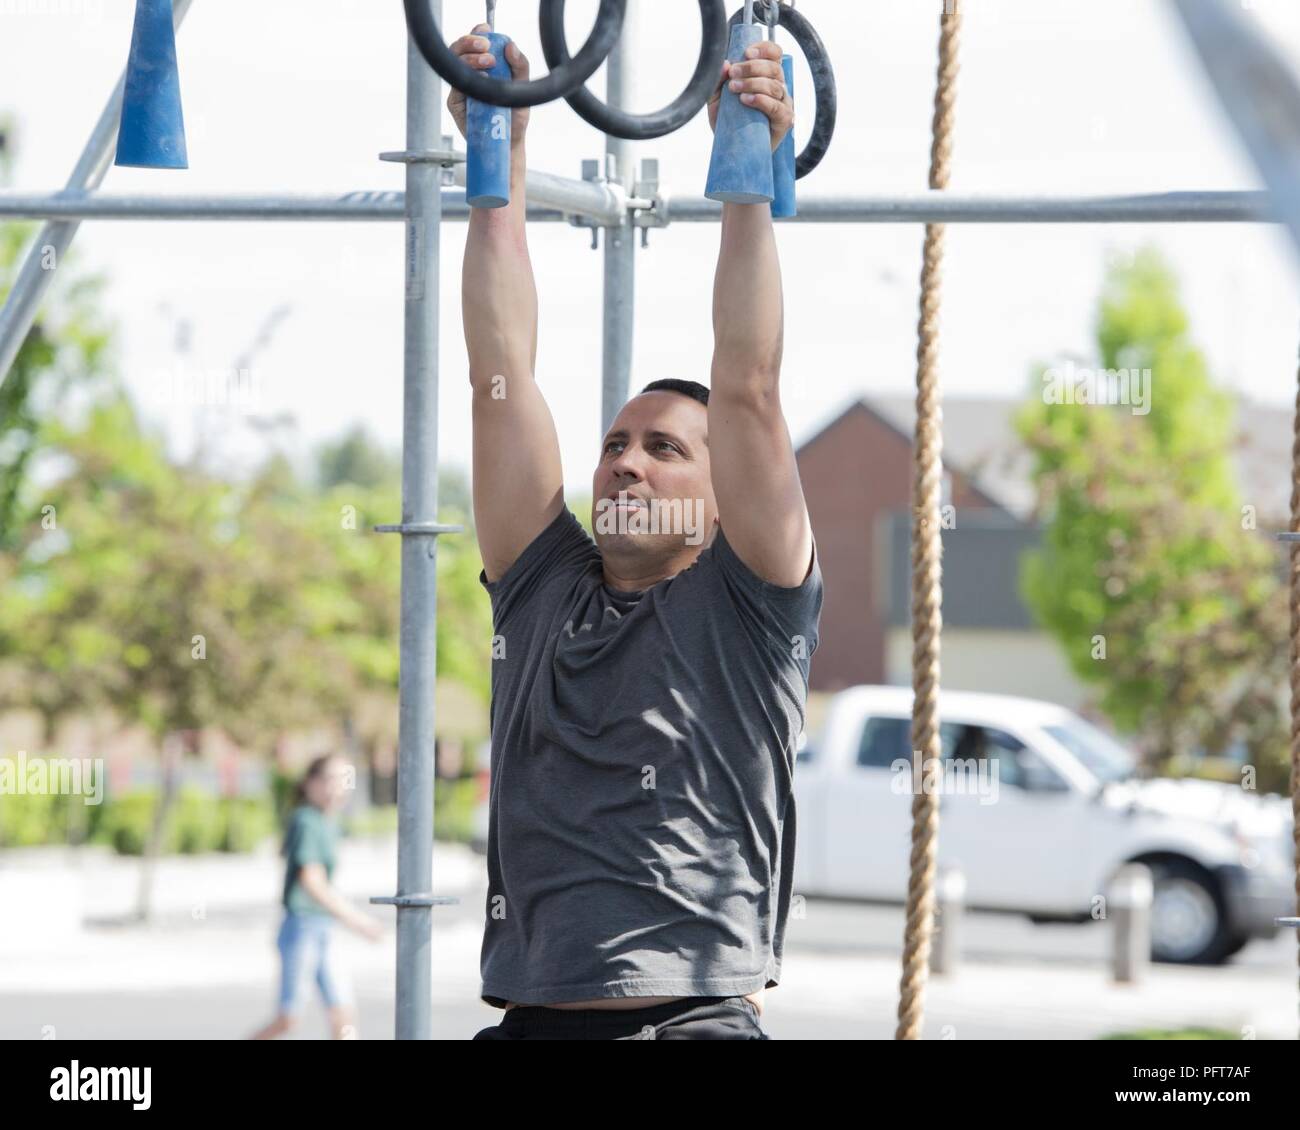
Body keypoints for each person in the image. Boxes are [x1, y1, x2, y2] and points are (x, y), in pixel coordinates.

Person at [451, 24, 821, 1041]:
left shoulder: (748, 606)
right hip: (529, 1018)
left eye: (665, 449)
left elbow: (746, 385)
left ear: (718, 500)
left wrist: (742, 170)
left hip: (690, 1018)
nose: (625, 460)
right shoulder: (542, 590)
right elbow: (499, 376)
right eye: (616, 442)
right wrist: (502, 160)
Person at [250, 753, 383, 1040]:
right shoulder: (306, 821)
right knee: (287, 1019)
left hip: (324, 928)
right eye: (330, 778)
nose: (338, 786)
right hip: (302, 927)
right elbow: (312, 880)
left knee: (343, 1016)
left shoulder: (329, 823)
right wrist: (357, 920)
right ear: (311, 783)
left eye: (346, 779)